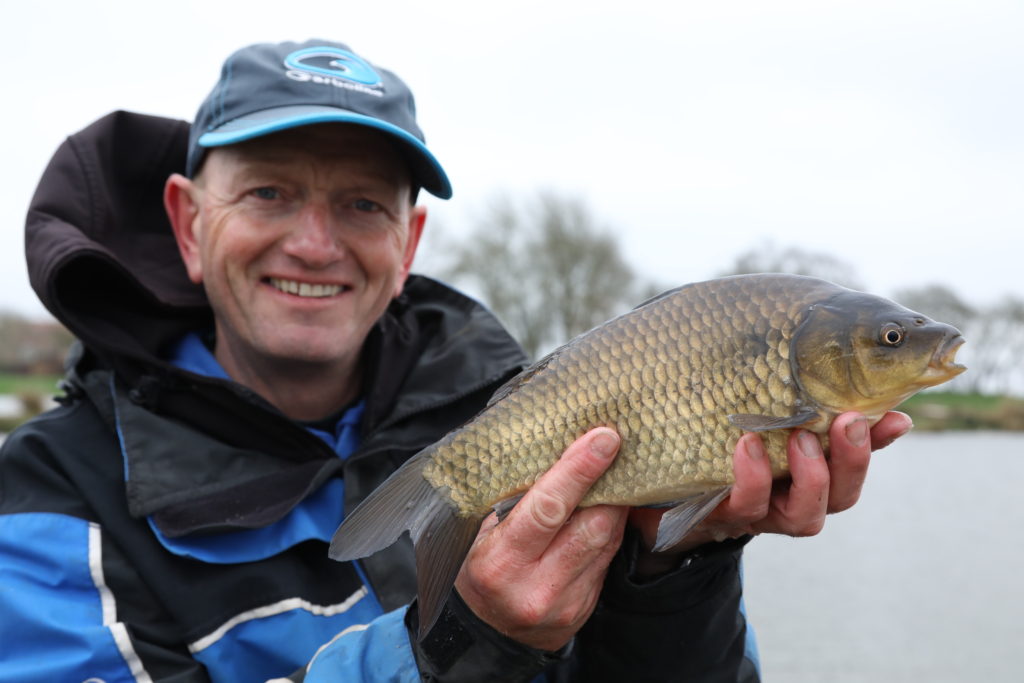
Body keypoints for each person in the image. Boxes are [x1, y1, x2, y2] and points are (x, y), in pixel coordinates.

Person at [0, 39, 911, 682]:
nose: (314, 243)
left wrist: (671, 570)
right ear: (188, 223)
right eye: (270, 193)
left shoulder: (518, 420)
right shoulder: (48, 505)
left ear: (409, 242)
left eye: (362, 204)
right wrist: (458, 648)